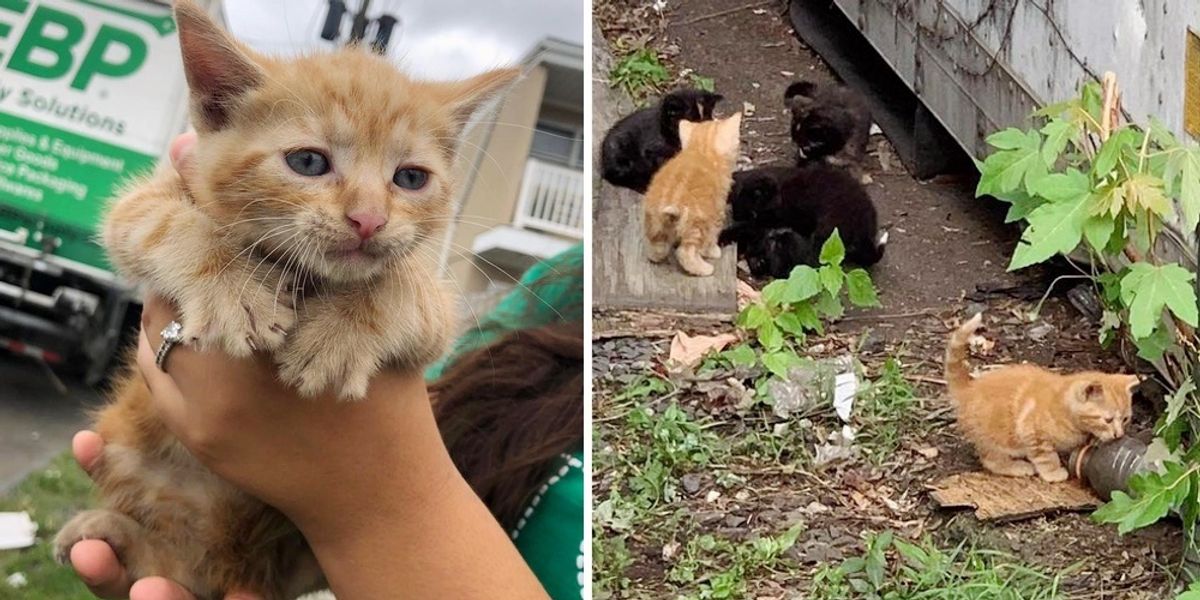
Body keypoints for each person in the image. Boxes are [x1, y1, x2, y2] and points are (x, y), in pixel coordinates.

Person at [67, 134, 585, 599]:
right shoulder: (568, 282)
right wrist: (203, 261)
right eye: (310, 160)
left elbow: (432, 321)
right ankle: (170, 559)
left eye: (408, 178)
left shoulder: (399, 270)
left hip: (296, 549)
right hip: (180, 492)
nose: (368, 214)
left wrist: (373, 314)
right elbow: (130, 219)